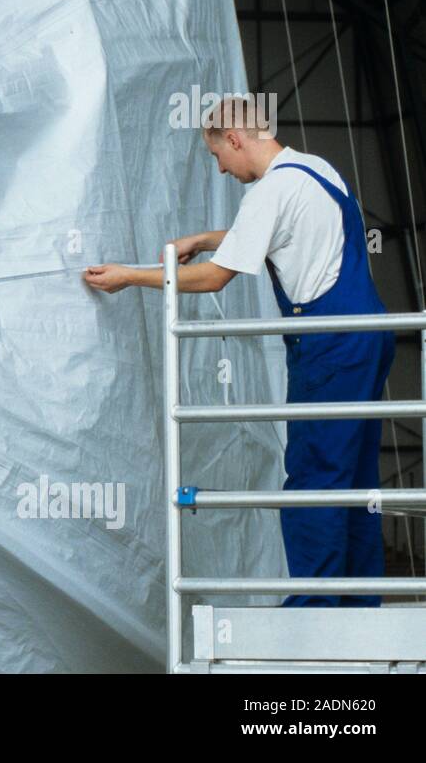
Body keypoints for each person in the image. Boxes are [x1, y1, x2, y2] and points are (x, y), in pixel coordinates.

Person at [82, 95, 395, 607]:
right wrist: (207, 237)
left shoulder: (269, 191)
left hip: (329, 341)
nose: (221, 169)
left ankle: (314, 615)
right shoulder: (315, 170)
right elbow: (275, 233)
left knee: (314, 480)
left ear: (234, 138)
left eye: (217, 157)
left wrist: (130, 276)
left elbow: (213, 280)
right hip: (368, 332)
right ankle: (360, 605)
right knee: (354, 481)